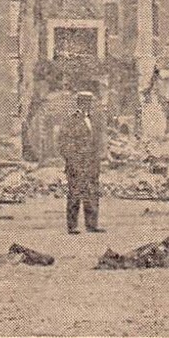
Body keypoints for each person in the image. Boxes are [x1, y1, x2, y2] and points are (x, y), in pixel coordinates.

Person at [59, 89, 106, 234]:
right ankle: (72, 226)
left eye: (89, 102)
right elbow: (64, 142)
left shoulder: (94, 120)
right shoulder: (71, 120)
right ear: (79, 103)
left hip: (92, 163)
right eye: (84, 102)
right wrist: (72, 161)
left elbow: (97, 142)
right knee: (75, 194)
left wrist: (98, 158)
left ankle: (91, 225)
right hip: (76, 163)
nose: (88, 105)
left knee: (92, 193)